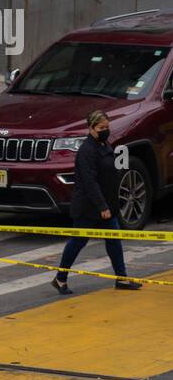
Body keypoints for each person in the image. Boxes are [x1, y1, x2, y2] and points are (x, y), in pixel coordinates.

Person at [52, 111, 143, 293]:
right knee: (78, 242)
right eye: (101, 128)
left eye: (107, 127)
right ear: (91, 129)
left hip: (108, 205)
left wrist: (111, 204)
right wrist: (102, 207)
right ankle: (60, 278)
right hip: (89, 207)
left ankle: (121, 278)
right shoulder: (87, 151)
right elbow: (89, 182)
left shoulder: (104, 145)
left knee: (114, 242)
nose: (105, 131)